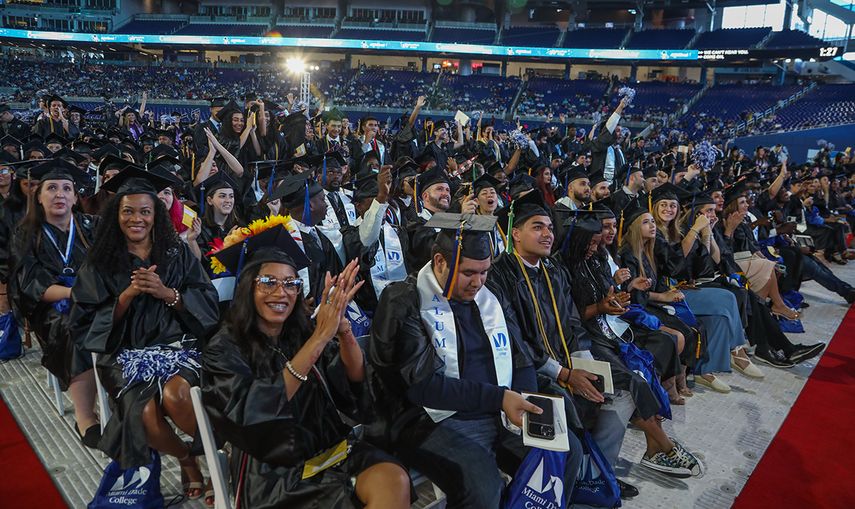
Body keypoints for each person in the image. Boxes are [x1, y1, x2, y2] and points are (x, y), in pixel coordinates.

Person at [369, 212, 584, 508]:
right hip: (432, 419)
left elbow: (519, 358)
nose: (478, 283)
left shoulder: (490, 296)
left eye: (484, 272)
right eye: (469, 273)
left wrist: (522, 400)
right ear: (440, 261)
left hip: (497, 409)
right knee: (482, 488)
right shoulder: (405, 301)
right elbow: (423, 387)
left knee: (567, 450)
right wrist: (500, 399)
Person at [202, 233, 412, 509]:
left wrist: (343, 330)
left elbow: (352, 384)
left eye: (291, 283)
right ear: (247, 288)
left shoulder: (298, 333)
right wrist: (319, 338)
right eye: (268, 282)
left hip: (330, 451)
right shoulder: (225, 348)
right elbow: (251, 412)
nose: (281, 292)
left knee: (394, 478)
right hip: (275, 472)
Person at [69, 166, 220, 500]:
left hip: (179, 347)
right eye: (127, 211)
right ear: (116, 214)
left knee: (178, 396)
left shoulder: (176, 252)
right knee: (145, 412)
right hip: (124, 354)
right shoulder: (99, 261)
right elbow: (83, 319)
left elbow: (207, 301)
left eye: (144, 212)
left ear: (156, 215)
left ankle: (214, 457)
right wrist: (126, 295)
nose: (136, 219)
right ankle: (188, 460)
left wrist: (169, 294)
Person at [8, 159, 101, 446]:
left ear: (75, 197)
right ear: (38, 195)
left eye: (66, 188)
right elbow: (29, 283)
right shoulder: (26, 234)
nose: (59, 194)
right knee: (73, 327)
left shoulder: (91, 227)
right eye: (51, 188)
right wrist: (75, 295)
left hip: (95, 300)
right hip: (50, 309)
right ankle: (86, 415)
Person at [341, 164, 410, 313]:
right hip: (370, 310)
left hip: (401, 306)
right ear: (358, 206)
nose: (383, 207)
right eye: (375, 202)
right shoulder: (350, 235)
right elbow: (367, 239)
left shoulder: (398, 232)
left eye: (385, 202)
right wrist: (381, 197)